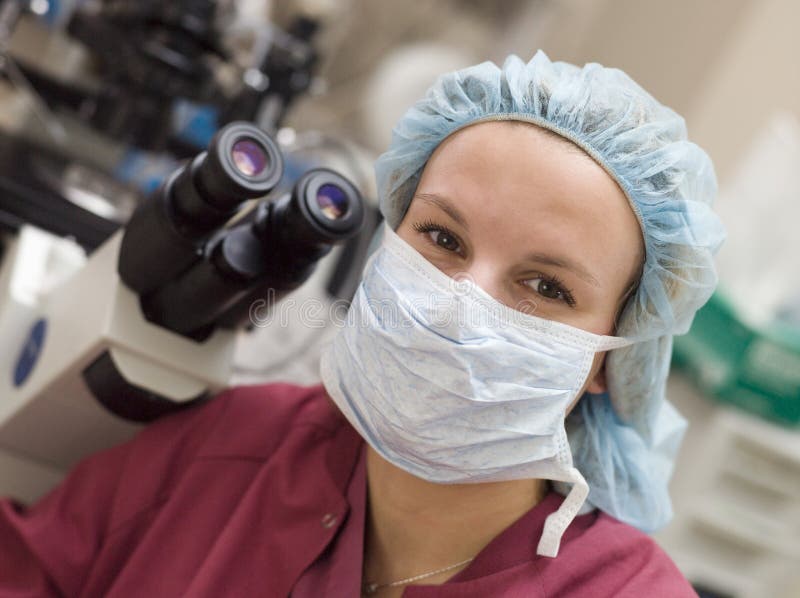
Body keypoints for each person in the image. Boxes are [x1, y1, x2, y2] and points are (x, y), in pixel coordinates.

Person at [0, 51, 724, 597]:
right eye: (442, 238)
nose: (458, 301)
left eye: (545, 286)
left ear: (608, 358)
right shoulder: (230, 450)